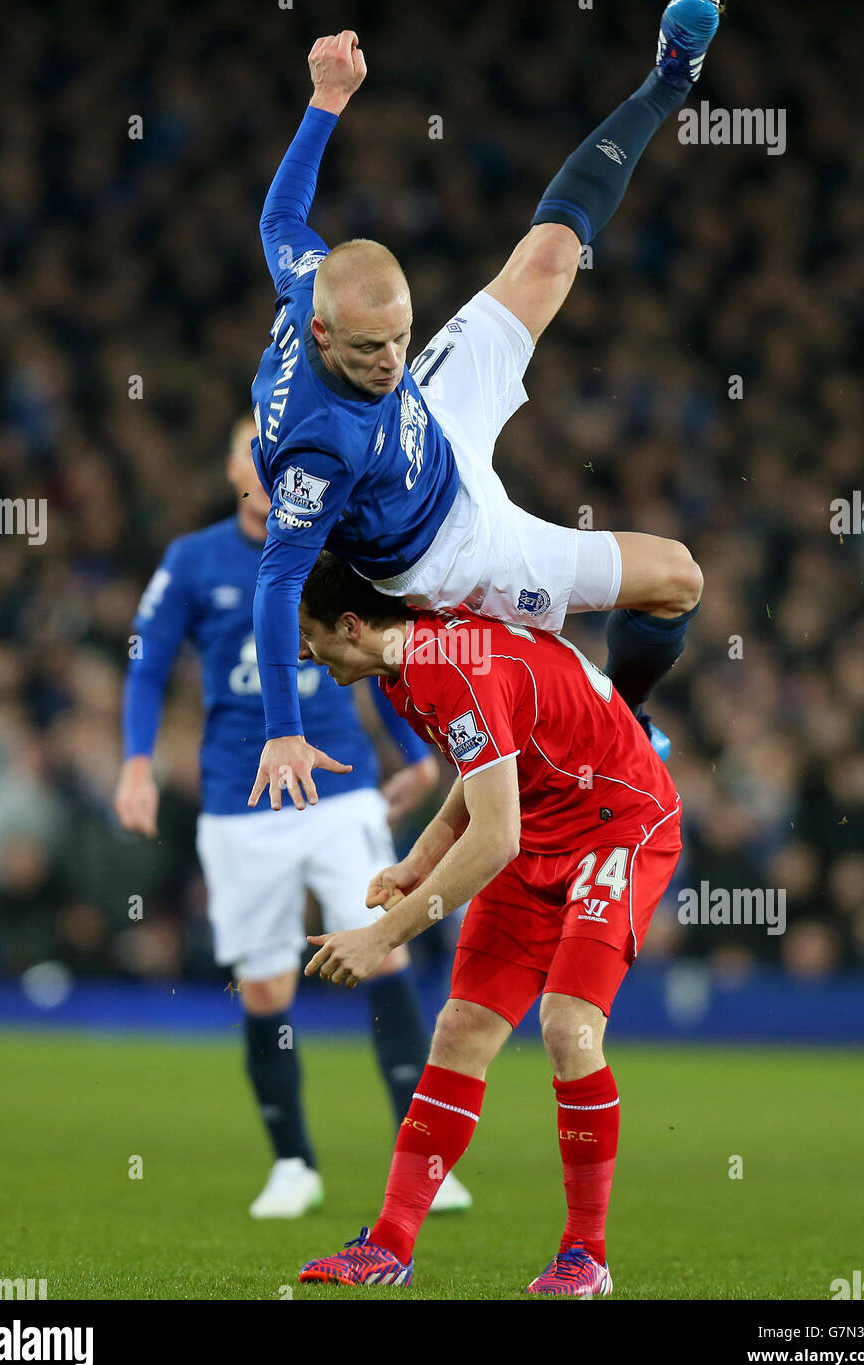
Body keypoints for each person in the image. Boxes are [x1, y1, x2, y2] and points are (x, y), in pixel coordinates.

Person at [248, 1, 722, 813]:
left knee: (545, 258)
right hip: (458, 548)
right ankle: (627, 712)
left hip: (433, 426)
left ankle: (668, 79)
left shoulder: (314, 291)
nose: (391, 360)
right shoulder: (315, 451)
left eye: (399, 337)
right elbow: (277, 583)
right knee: (677, 578)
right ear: (324, 336)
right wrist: (282, 727)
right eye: (369, 351)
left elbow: (280, 217)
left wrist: (324, 101)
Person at [292, 553, 683, 1294]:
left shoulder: (444, 666)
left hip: (618, 827)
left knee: (568, 1027)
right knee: (461, 1030)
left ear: (352, 624)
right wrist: (421, 858)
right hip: (537, 828)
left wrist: (385, 934)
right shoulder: (410, 667)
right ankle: (391, 1245)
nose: (307, 653)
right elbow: (488, 778)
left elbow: (494, 835)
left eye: (312, 637)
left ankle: (586, 1256)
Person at [114, 418, 471, 1218]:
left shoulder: (337, 543)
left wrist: (417, 754)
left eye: (270, 448)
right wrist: (137, 761)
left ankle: (424, 1162)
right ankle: (293, 1164)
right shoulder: (193, 561)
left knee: (383, 952)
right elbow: (146, 668)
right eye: (247, 447)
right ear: (232, 467)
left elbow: (373, 652)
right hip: (238, 801)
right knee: (267, 985)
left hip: (338, 787)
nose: (262, 459)